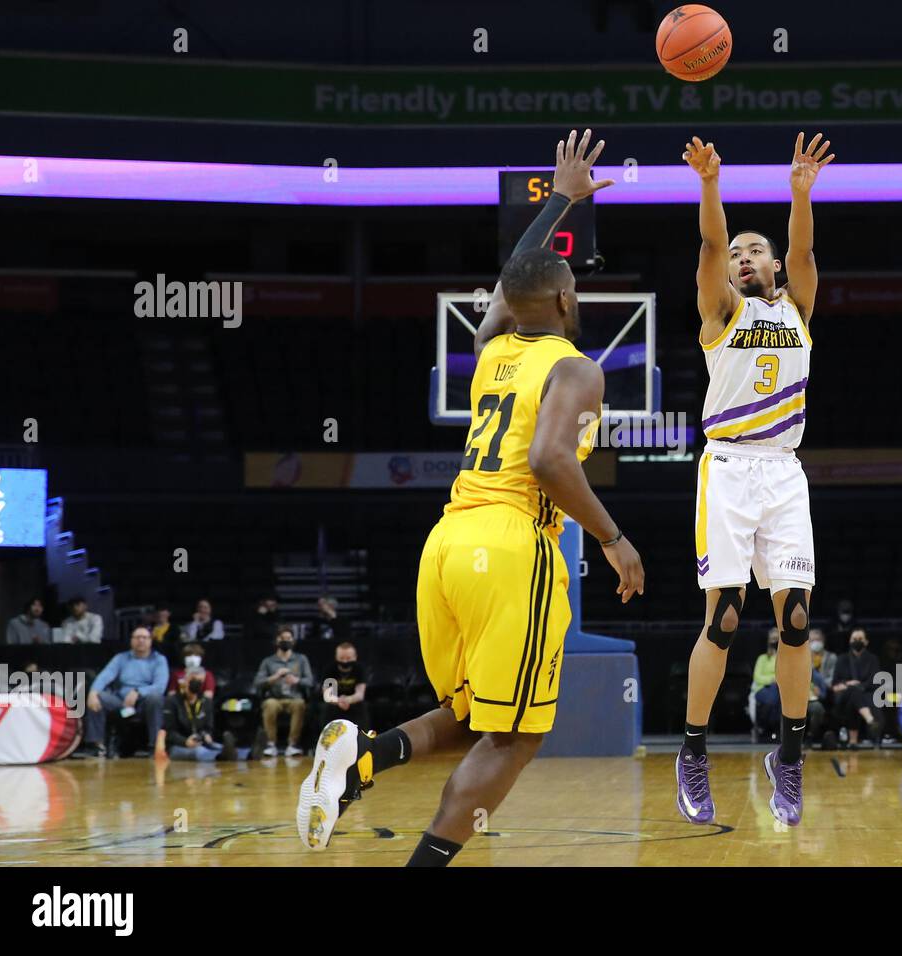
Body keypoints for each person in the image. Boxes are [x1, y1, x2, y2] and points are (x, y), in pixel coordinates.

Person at [294, 130, 643, 866]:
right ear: (563, 296)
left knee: (471, 715)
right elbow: (550, 460)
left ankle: (358, 766)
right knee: (518, 735)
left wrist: (561, 205)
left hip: (449, 543)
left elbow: (507, 283)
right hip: (515, 545)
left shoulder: (490, 350)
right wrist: (614, 538)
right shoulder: (577, 368)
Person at [675, 130, 833, 829]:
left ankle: (790, 758)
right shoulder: (723, 312)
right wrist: (711, 185)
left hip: (785, 472)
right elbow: (709, 248)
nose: (742, 256)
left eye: (753, 249)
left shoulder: (797, 309)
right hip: (731, 467)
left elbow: (803, 251)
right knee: (726, 617)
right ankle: (693, 752)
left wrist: (801, 193)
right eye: (737, 251)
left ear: (773, 265)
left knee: (795, 621)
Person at [82, 627, 169, 757]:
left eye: (145, 638)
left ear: (151, 641)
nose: (141, 640)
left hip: (144, 703)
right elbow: (104, 676)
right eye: (137, 637)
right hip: (121, 703)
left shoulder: (159, 660)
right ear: (131, 641)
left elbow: (160, 686)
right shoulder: (121, 658)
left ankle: (155, 746)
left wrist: (138, 692)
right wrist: (93, 692)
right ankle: (96, 745)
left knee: (156, 698)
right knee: (97, 697)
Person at [257, 628, 314, 756]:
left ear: (293, 641)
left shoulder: (301, 659)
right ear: (277, 641)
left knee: (299, 704)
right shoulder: (268, 661)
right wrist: (274, 677)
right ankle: (271, 744)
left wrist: (297, 680)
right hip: (275, 698)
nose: (286, 641)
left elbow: (310, 681)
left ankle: (292, 744)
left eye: (289, 638)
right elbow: (258, 682)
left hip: (294, 697)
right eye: (283, 638)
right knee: (269, 704)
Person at [157, 675, 232, 761]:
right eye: (191, 681)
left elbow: (208, 727)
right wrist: (185, 741)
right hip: (178, 745)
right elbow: (169, 732)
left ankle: (239, 754)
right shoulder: (172, 701)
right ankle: (220, 757)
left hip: (200, 743)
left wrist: (206, 735)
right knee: (198, 752)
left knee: (218, 746)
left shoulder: (206, 702)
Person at [830, 628, 883, 748]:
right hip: (843, 694)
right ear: (849, 641)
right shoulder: (841, 659)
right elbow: (835, 683)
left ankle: (853, 741)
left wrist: (858, 686)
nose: (857, 641)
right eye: (854, 639)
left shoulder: (872, 659)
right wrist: (848, 684)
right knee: (852, 693)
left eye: (860, 639)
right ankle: (869, 720)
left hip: (866, 692)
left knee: (854, 697)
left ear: (866, 642)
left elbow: (875, 680)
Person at [319, 642, 370, 732]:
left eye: (348, 658)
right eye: (341, 658)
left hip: (353, 701)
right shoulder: (330, 669)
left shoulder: (360, 669)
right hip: (335, 702)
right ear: (336, 657)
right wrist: (339, 701)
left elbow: (360, 694)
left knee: (363, 707)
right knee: (326, 708)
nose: (345, 661)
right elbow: (327, 695)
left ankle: (363, 740)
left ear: (355, 657)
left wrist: (348, 700)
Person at [750, 629, 781, 742]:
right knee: (773, 697)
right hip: (763, 688)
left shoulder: (786, 658)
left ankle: (770, 730)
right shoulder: (762, 658)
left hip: (780, 689)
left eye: (777, 639)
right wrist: (772, 679)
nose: (775, 642)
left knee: (777, 696)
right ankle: (769, 728)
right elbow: (757, 677)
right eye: (773, 639)